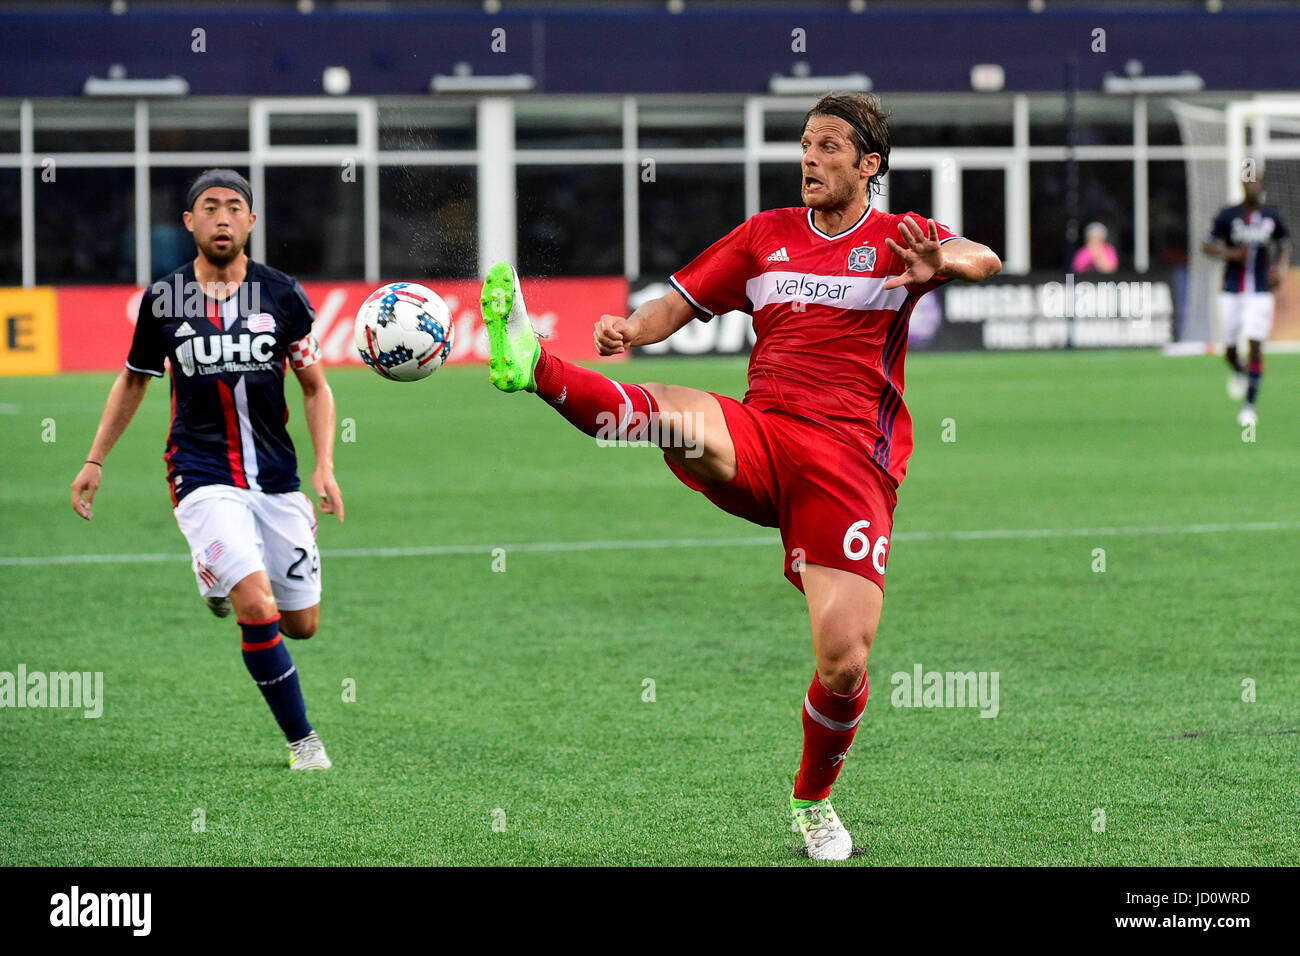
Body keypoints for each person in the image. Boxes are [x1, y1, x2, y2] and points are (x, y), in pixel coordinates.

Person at [478, 92, 1001, 860]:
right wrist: (630, 329)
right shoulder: (767, 236)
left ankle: (813, 802)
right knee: (670, 413)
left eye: (829, 147)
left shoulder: (899, 237)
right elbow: (682, 302)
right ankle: (534, 364)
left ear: (868, 165)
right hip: (762, 434)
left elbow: (982, 257)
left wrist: (941, 261)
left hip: (852, 465)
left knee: (844, 659)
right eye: (805, 146)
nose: (811, 160)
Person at [70, 169, 344, 770]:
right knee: (256, 604)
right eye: (209, 207)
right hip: (199, 474)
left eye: (234, 207)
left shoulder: (283, 295)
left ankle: (214, 570)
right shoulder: (163, 300)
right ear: (189, 223)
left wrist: (324, 467)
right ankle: (304, 742)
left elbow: (316, 387)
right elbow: (135, 379)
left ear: (251, 221)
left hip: (275, 477)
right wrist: (95, 460)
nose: (222, 217)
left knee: (302, 625)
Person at [1203, 177, 1290, 426]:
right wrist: (1230, 253)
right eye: (1249, 183)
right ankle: (1240, 372)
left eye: (1257, 183)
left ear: (1261, 186)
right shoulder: (1228, 216)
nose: (1254, 187)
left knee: (1255, 344)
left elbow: (1284, 244)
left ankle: (1249, 406)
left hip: (1260, 292)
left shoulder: (1271, 216)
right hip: (1232, 290)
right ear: (1243, 186)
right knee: (1229, 351)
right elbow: (1207, 245)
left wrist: (1282, 268)